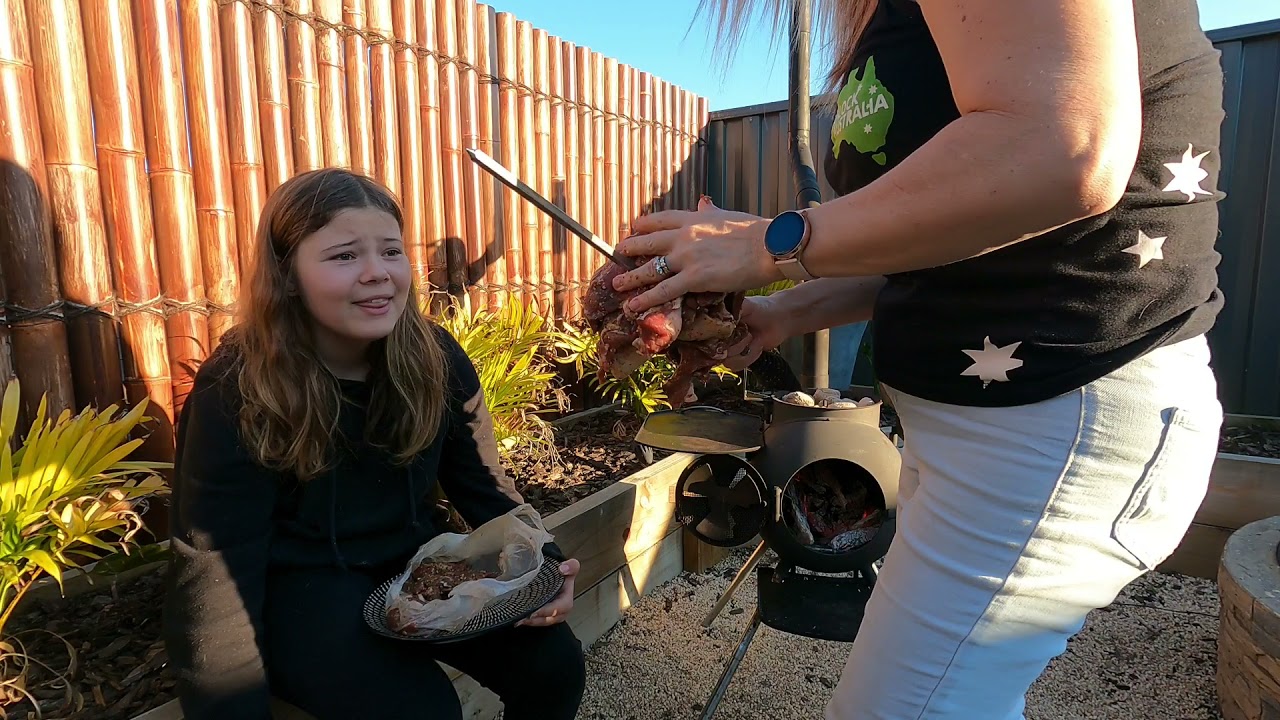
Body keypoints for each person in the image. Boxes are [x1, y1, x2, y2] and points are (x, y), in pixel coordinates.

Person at [613, 0, 1226, 718]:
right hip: (988, 432)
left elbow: (1063, 148)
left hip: (1058, 413)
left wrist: (766, 242)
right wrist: (782, 314)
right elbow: (940, 247)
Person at [161, 168, 587, 720]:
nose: (377, 273)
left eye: (391, 251)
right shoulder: (238, 388)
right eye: (344, 256)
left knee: (553, 665)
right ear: (287, 276)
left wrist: (546, 570)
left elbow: (484, 485)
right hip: (302, 588)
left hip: (414, 564)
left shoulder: (435, 357)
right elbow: (215, 567)